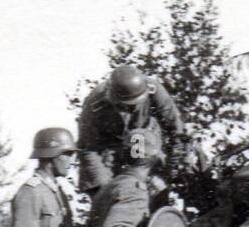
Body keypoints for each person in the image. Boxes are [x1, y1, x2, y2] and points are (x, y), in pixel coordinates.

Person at [76, 64, 185, 195]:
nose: (133, 109)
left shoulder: (153, 90)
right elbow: (87, 148)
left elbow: (177, 132)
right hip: (109, 151)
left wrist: (166, 175)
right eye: (127, 106)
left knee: (152, 195)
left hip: (144, 144)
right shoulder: (95, 104)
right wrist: (105, 188)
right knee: (109, 197)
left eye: (136, 104)